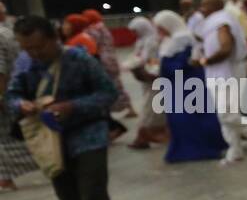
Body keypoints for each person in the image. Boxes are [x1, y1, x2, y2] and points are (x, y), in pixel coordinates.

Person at [5, 16, 121, 200]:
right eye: (28, 48)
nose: (34, 53)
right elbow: (12, 95)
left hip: (88, 133)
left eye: (39, 47)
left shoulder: (79, 59)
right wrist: (20, 105)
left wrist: (73, 106)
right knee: (67, 194)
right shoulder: (25, 63)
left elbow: (107, 93)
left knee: (92, 189)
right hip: (51, 139)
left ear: (54, 39)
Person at [194, 0, 247, 165]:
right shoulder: (216, 22)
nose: (201, 9)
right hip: (219, 73)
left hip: (227, 73)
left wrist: (204, 61)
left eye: (204, 5)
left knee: (228, 116)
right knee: (226, 116)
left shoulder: (221, 22)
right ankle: (235, 152)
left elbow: (225, 48)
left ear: (214, 7)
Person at [151, 10, 226, 163]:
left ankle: (197, 149)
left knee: (188, 119)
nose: (159, 31)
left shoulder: (181, 38)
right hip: (180, 85)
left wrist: (163, 67)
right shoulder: (174, 38)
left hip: (185, 86)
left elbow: (181, 64)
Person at [0, 18, 38, 190]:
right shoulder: (7, 32)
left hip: (7, 92)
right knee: (14, 136)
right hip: (18, 89)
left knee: (9, 137)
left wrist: (1, 96)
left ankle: (5, 179)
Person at [122, 15, 168, 150]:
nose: (134, 34)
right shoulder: (142, 41)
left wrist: (141, 65)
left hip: (154, 77)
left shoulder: (153, 41)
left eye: (135, 31)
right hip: (146, 79)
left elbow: (152, 61)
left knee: (150, 108)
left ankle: (142, 138)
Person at [82, 9, 135, 119]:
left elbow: (92, 44)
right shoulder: (103, 27)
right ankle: (130, 108)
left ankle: (107, 112)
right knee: (117, 84)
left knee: (104, 86)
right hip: (111, 59)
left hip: (102, 60)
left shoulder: (93, 30)